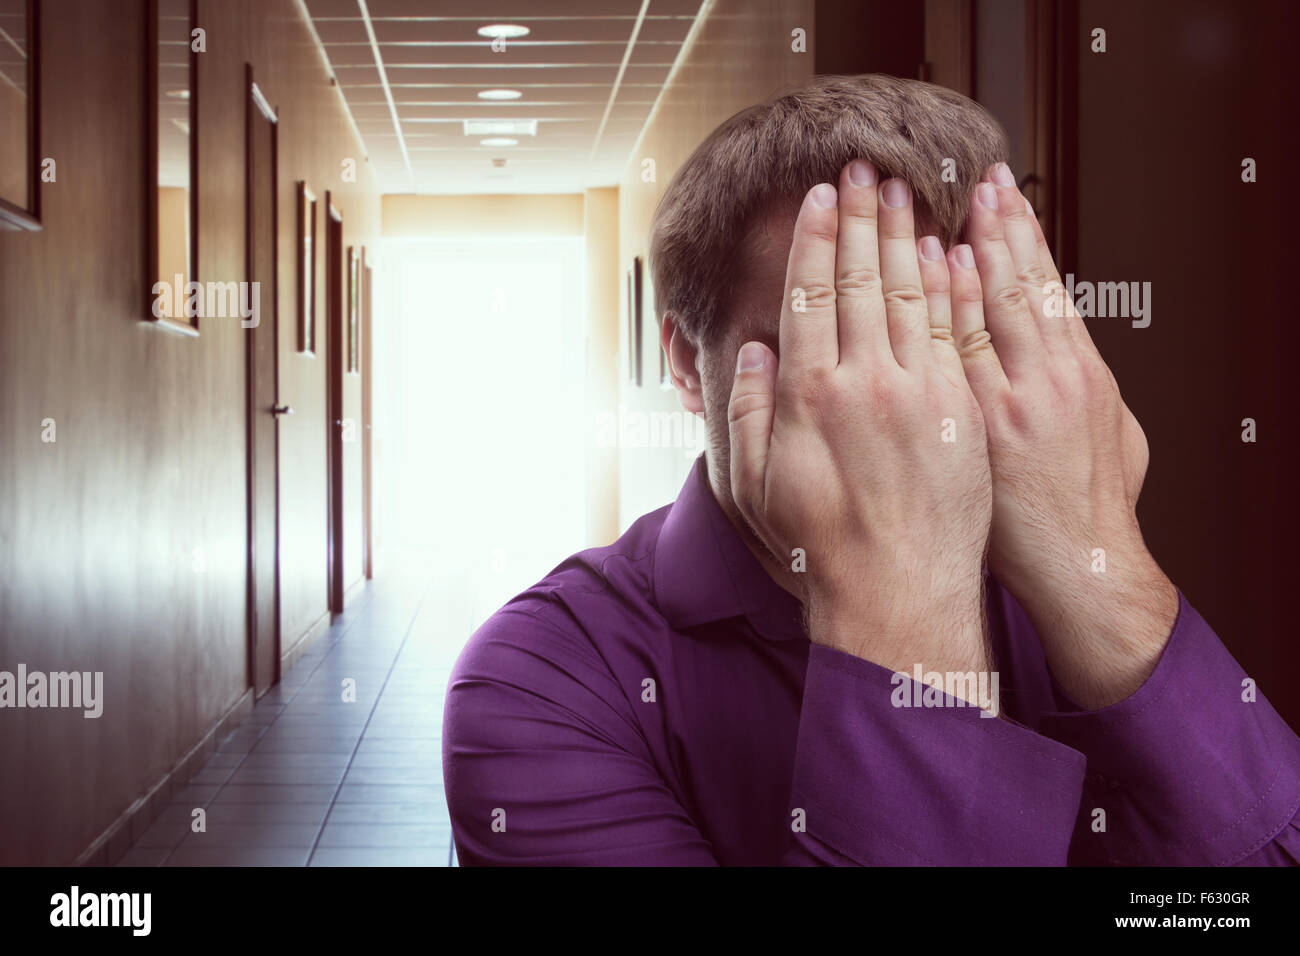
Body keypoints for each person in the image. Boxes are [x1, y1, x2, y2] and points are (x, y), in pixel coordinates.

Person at [442, 75, 1300, 865]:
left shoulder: (1061, 575)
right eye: (841, 344)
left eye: (958, 339)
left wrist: (1100, 570)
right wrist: (909, 602)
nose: (915, 411)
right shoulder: (540, 683)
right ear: (683, 361)